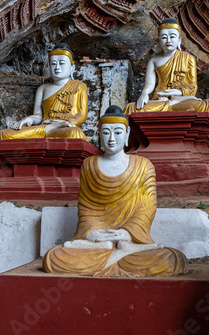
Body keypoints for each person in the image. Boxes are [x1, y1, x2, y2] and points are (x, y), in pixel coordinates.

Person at [41, 106, 186, 276]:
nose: (111, 139)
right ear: (99, 135)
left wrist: (125, 233)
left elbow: (146, 208)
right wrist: (93, 232)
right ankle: (116, 255)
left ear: (127, 134)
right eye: (105, 133)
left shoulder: (143, 166)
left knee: (171, 259)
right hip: (97, 240)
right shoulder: (89, 165)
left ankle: (117, 254)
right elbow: (87, 208)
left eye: (117, 133)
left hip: (129, 237)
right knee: (52, 258)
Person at [124, 19, 209, 114]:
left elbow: (193, 86)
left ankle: (172, 104)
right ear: (159, 40)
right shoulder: (154, 60)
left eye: (172, 36)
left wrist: (178, 92)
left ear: (179, 40)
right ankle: (170, 105)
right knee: (131, 108)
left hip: (181, 100)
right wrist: (144, 94)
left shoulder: (188, 58)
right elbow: (150, 84)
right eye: (164, 37)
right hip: (160, 100)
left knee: (205, 106)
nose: (168, 40)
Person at [0, 45, 89, 140]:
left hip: (64, 128)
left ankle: (54, 127)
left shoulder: (80, 86)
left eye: (62, 63)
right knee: (3, 135)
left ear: (72, 68)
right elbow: (39, 116)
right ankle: (51, 128)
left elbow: (81, 115)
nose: (57, 67)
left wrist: (68, 122)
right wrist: (29, 119)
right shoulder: (43, 88)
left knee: (75, 133)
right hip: (44, 128)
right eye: (53, 63)